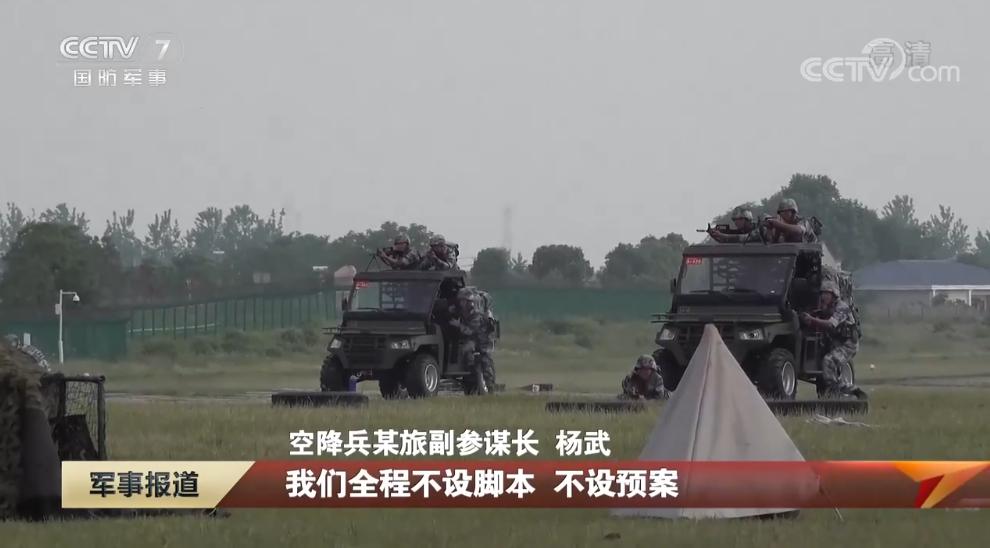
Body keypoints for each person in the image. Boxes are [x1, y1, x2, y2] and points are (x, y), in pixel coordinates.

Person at [799, 281, 865, 399]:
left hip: (849, 344)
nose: (823, 296)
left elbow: (831, 324)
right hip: (836, 343)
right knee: (827, 371)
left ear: (834, 294)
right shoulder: (826, 308)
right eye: (822, 293)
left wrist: (812, 319)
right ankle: (850, 390)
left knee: (828, 361)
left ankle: (838, 392)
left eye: (827, 293)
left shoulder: (842, 307)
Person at [449, 286, 496, 394]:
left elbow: (471, 331)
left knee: (485, 364)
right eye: (461, 301)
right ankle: (470, 386)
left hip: (482, 341)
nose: (461, 303)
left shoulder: (477, 314)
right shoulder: (464, 311)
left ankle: (489, 388)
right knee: (467, 359)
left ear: (470, 302)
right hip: (473, 340)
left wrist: (458, 325)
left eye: (463, 301)